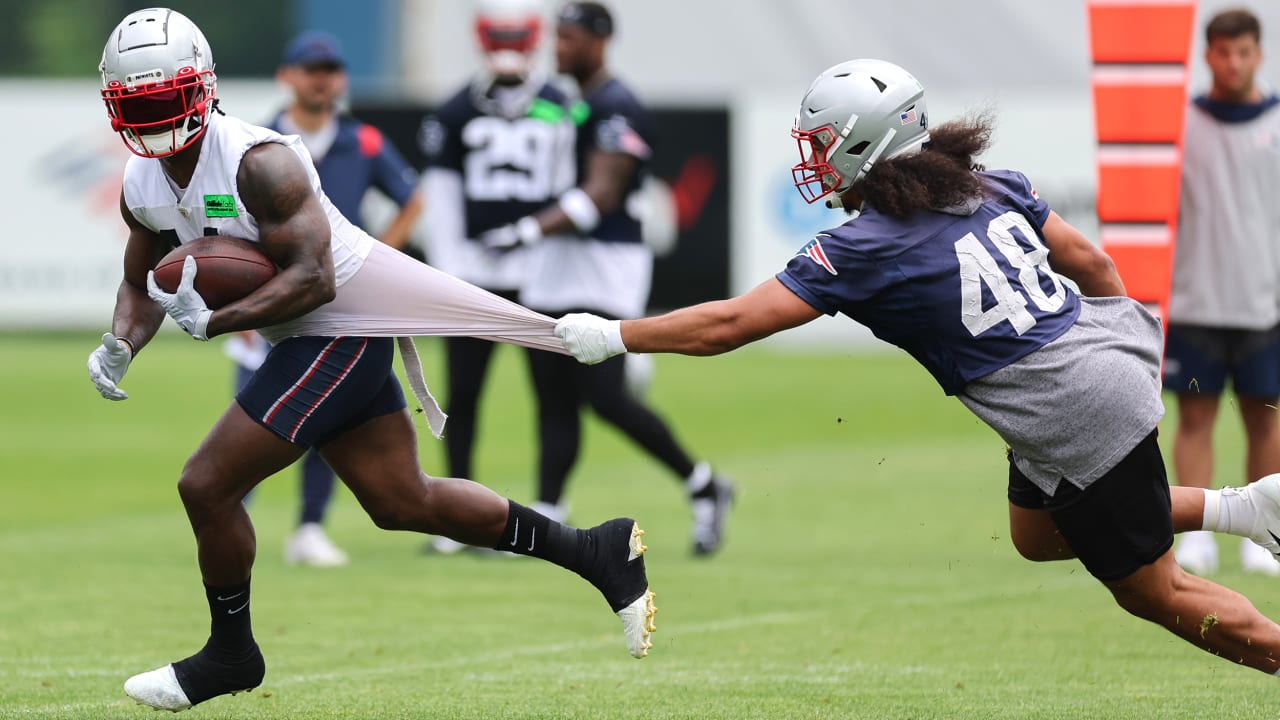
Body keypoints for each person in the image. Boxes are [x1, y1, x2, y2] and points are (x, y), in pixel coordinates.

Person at [555, 57, 1280, 677]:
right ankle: (1239, 510)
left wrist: (616, 334)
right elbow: (1092, 261)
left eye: (825, 144)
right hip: (1093, 355)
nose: (813, 159)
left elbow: (729, 325)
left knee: (1154, 590)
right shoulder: (989, 184)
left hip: (1067, 401)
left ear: (867, 142)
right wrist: (1112, 357)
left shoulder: (865, 245)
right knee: (1037, 535)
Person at [85, 8, 655, 711]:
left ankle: (231, 654)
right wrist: (122, 342)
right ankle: (595, 551)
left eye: (163, 98)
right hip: (308, 335)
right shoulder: (143, 182)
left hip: (343, 327)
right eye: (136, 102)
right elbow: (143, 277)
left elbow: (315, 280)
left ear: (200, 89)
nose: (151, 116)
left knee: (205, 484)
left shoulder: (260, 161)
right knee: (402, 501)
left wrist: (219, 319)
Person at [478, 1, 734, 556]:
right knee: (550, 394)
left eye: (569, 39)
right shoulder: (574, 103)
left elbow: (601, 195)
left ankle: (706, 484)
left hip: (601, 269)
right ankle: (547, 516)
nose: (558, 49)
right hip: (554, 267)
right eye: (557, 38)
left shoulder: (619, 105)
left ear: (601, 41)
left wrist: (524, 231)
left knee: (606, 398)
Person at [235, 30, 424, 568]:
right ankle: (232, 520)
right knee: (248, 414)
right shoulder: (256, 138)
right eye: (311, 69)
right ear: (287, 76)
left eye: (331, 70)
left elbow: (412, 198)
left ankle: (310, 527)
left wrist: (379, 258)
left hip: (339, 304)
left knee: (326, 418)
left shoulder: (362, 141)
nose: (323, 80)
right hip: (269, 301)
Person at [417, 0, 577, 554]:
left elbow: (574, 186)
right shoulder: (455, 110)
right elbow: (441, 203)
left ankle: (552, 509)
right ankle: (459, 518)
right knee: (462, 395)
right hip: (475, 276)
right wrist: (449, 277)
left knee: (554, 395)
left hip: (541, 275)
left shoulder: (561, 106)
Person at [1164, 7, 1280, 577]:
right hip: (1195, 301)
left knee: (1267, 420)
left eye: (1244, 52)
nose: (1233, 63)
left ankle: (1263, 536)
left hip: (1267, 304)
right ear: (1208, 55)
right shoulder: (1182, 124)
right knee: (1194, 419)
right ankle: (1194, 537)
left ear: (1258, 54)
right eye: (1222, 52)